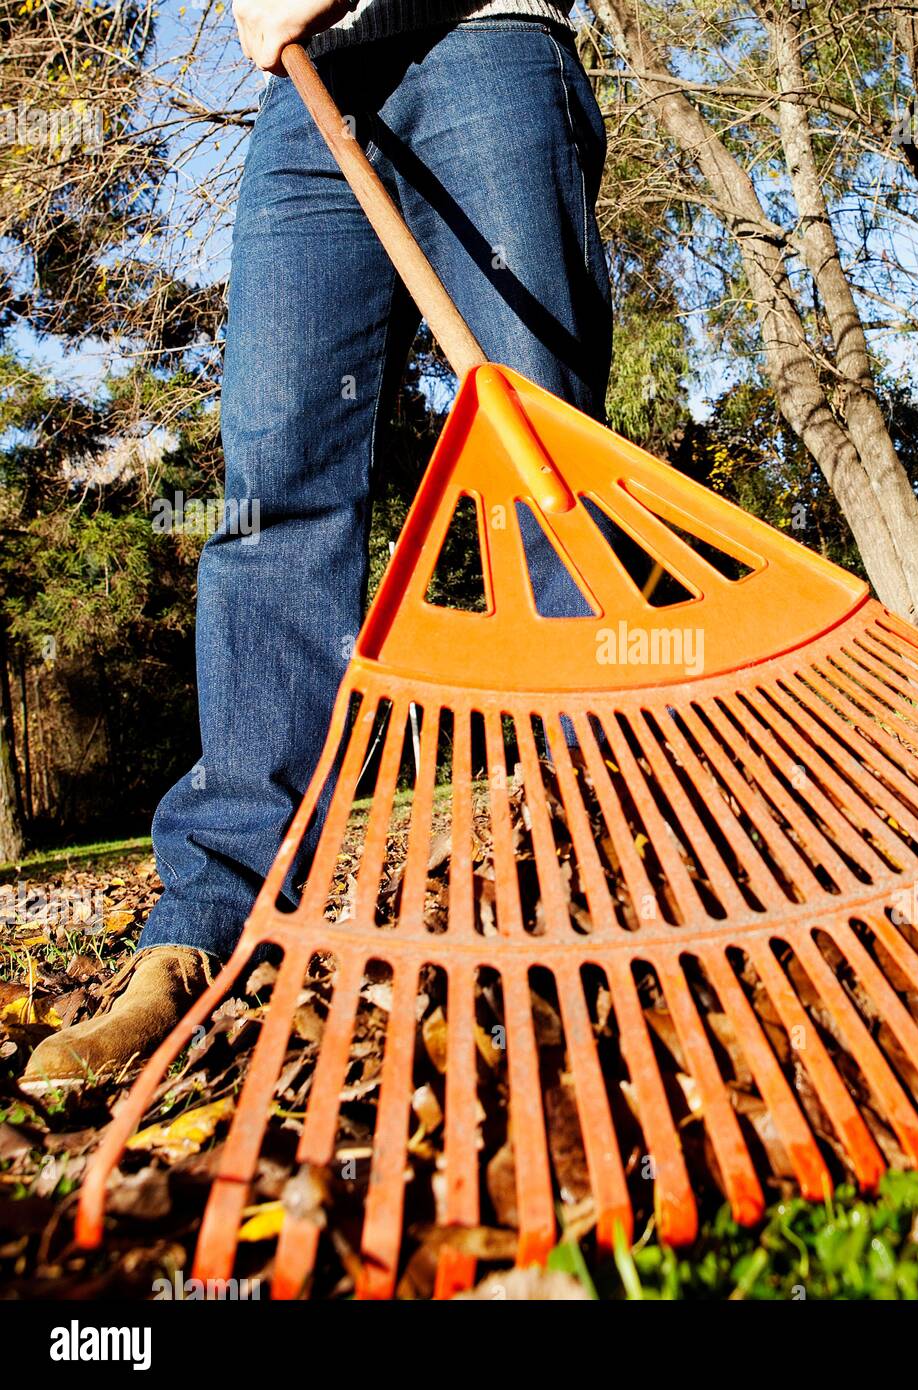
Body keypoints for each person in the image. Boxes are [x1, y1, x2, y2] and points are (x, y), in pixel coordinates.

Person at [21, 0, 610, 1093]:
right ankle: (208, 916)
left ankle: (598, 853)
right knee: (270, 492)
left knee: (541, 460)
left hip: (482, 36)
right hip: (307, 94)